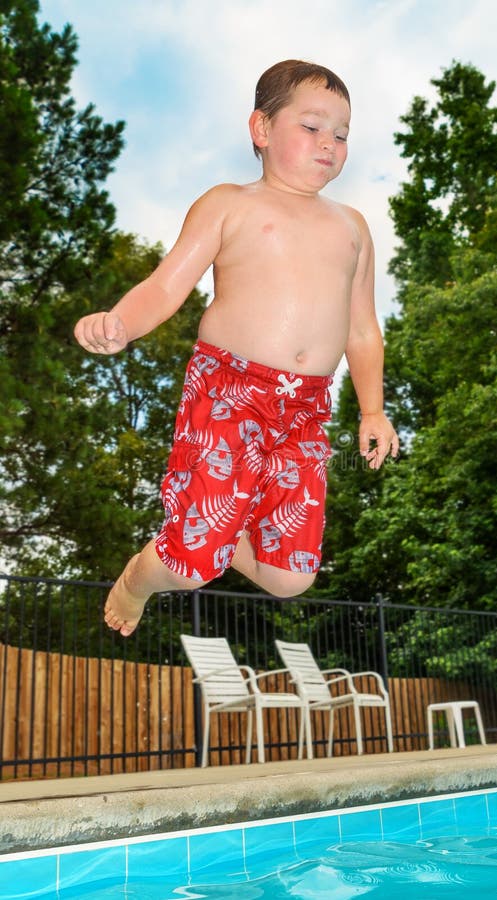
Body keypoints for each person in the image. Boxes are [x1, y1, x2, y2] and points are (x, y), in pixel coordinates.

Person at [74, 59, 399, 637]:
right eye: (312, 127)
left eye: (342, 134)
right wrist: (120, 323)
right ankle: (140, 578)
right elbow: (165, 287)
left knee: (291, 577)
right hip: (229, 391)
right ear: (262, 128)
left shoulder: (353, 227)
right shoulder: (230, 203)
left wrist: (372, 409)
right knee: (189, 567)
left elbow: (361, 329)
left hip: (306, 408)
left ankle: (213, 535)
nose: (329, 143)